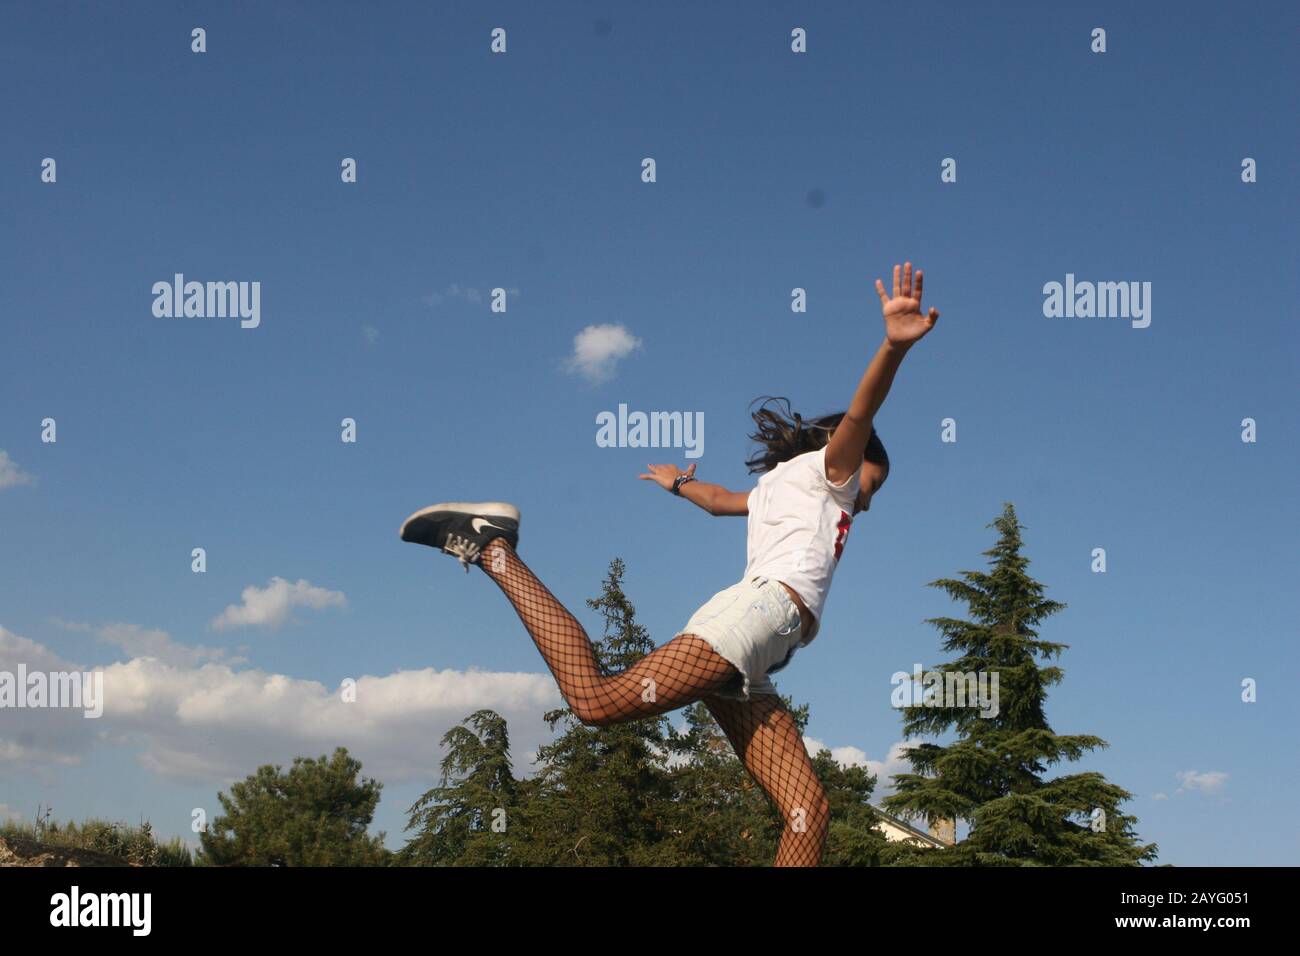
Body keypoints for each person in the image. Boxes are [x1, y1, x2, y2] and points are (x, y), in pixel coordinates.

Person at [400, 262, 940, 865]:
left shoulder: (775, 489)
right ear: (847, 455)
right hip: (754, 617)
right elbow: (862, 416)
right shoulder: (830, 471)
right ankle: (494, 546)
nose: (866, 501)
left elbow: (719, 504)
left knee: (806, 810)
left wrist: (680, 483)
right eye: (872, 484)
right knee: (595, 701)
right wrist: (892, 348)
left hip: (758, 653)